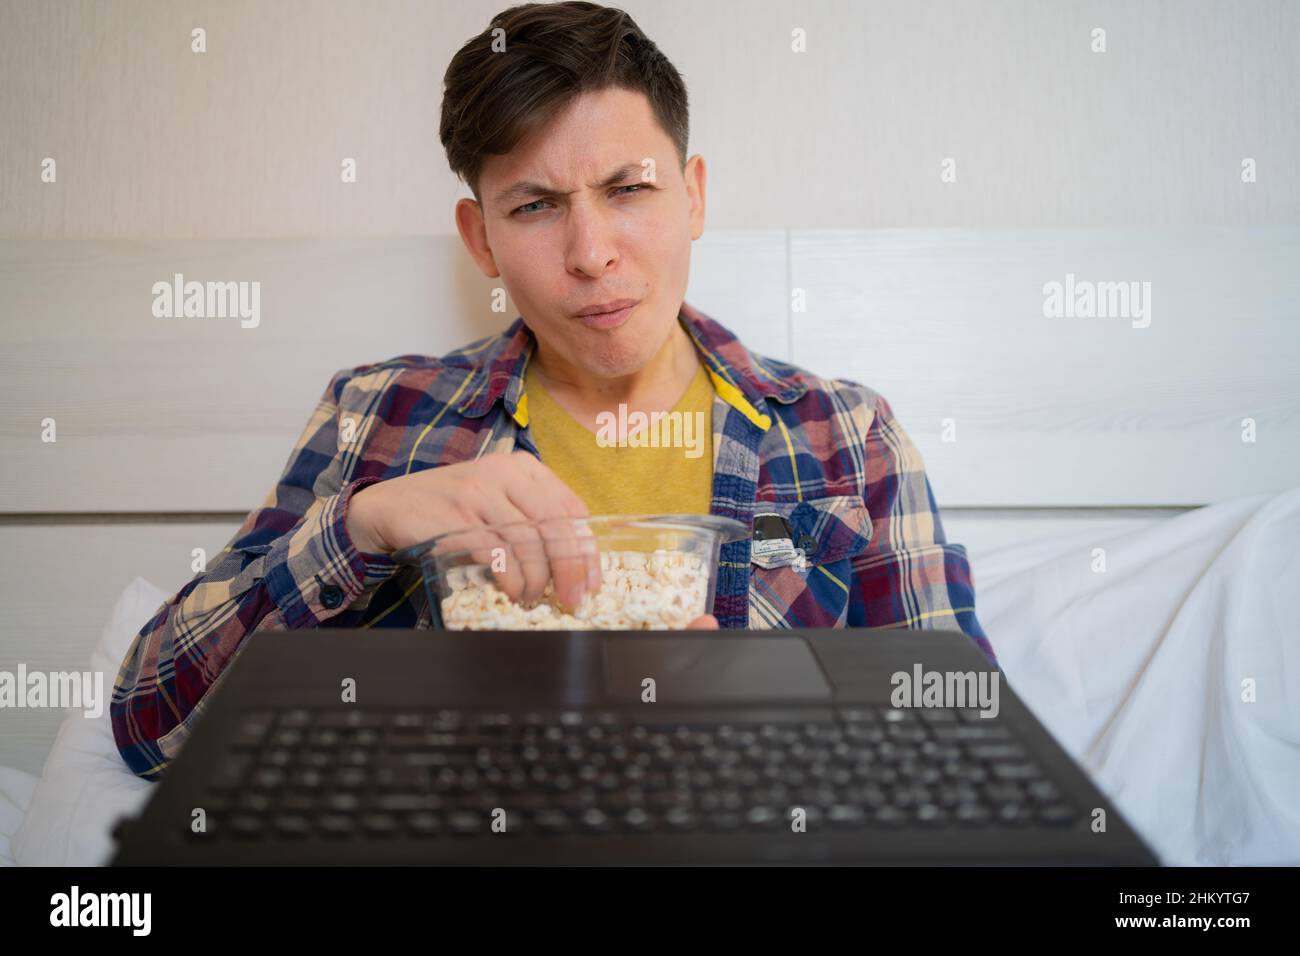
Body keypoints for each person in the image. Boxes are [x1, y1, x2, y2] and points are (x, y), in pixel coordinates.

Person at [111, 1, 995, 781]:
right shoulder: (378, 418)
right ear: (481, 238)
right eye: (534, 206)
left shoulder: (843, 433)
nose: (591, 253)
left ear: (692, 197)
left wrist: (763, 730)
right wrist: (363, 525)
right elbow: (153, 728)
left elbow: (964, 753)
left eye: (629, 190)